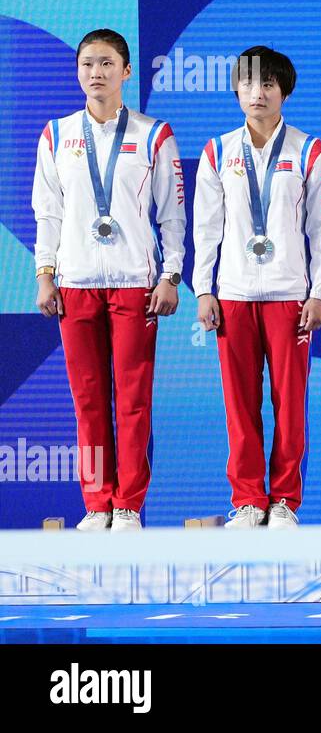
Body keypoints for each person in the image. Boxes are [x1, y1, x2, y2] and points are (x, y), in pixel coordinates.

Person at [32, 28, 186, 532]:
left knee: (134, 397)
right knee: (89, 399)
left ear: (125, 71)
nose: (95, 73)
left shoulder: (153, 134)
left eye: (105, 64)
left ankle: (129, 505)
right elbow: (47, 214)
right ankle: (98, 503)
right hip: (75, 283)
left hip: (134, 284)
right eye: (86, 64)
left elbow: (173, 216)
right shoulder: (56, 135)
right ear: (76, 72)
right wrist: (45, 275)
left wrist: (170, 275)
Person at [193, 46, 321, 528]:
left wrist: (319, 292)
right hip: (232, 294)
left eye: (268, 84)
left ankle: (284, 502)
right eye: (249, 84)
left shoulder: (310, 151)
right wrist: (203, 289)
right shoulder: (216, 152)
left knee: (289, 404)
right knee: (239, 404)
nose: (258, 93)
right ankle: (249, 499)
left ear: (284, 92)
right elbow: (206, 229)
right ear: (236, 90)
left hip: (289, 294)